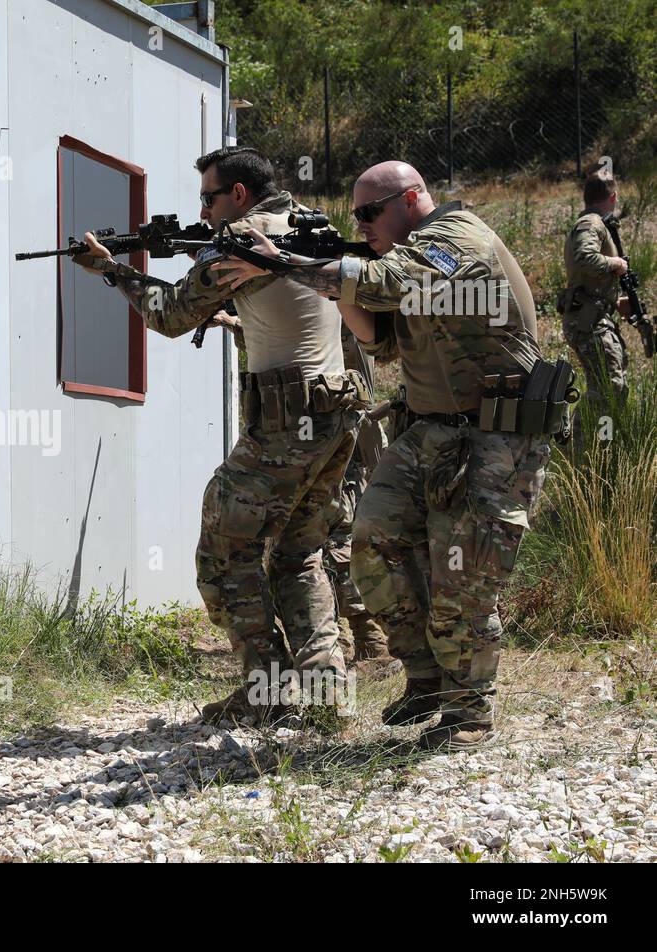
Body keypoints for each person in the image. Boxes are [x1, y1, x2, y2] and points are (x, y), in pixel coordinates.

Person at [211, 161, 556, 750]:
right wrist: (316, 275)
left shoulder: (453, 240)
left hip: (496, 436)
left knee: (462, 575)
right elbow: (381, 341)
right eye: (357, 215)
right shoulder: (408, 256)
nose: (362, 224)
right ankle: (425, 676)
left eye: (370, 213)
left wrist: (285, 261)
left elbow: (390, 281)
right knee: (373, 541)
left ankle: (468, 713)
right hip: (430, 432)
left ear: (413, 198)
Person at [73, 147, 364, 724]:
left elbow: (170, 315)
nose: (202, 210)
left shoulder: (236, 243)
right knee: (298, 555)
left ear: (238, 195)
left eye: (209, 198)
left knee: (223, 556)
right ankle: (328, 692)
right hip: (338, 412)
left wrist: (111, 269)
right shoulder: (311, 224)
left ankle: (271, 692)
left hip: (287, 418)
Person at [328, 326, 397, 679]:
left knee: (334, 540)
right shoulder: (339, 307)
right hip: (337, 437)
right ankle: (346, 641)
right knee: (329, 540)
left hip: (338, 438)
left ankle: (366, 642)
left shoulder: (334, 317)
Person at [559, 169, 630, 416]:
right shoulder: (591, 223)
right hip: (588, 321)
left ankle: (600, 444)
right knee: (607, 388)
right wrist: (617, 264)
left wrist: (614, 300)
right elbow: (585, 257)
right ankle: (581, 447)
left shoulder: (595, 223)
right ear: (613, 197)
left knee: (613, 385)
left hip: (595, 317)